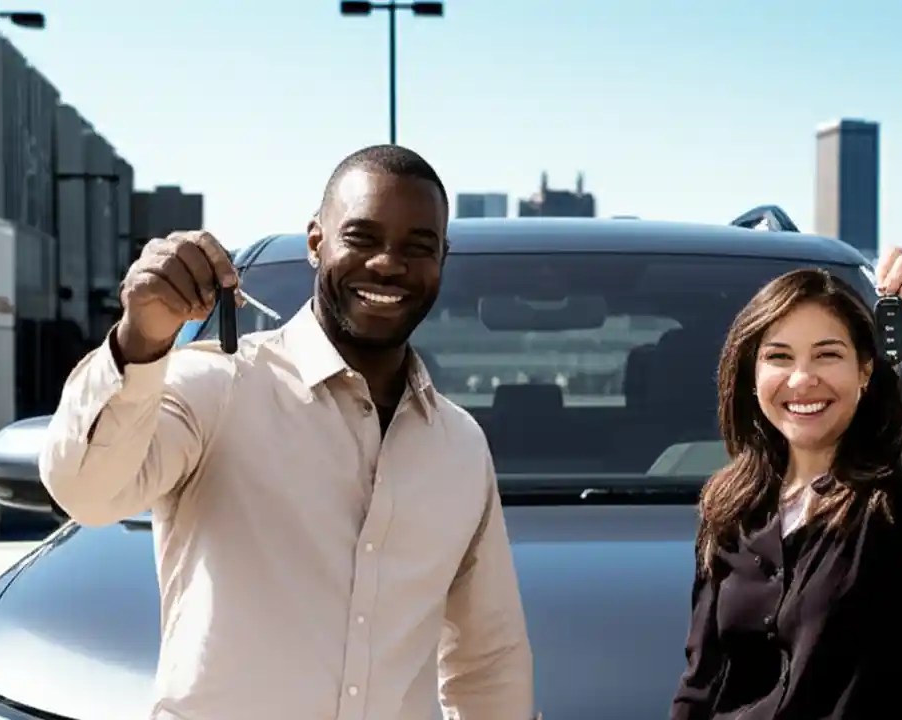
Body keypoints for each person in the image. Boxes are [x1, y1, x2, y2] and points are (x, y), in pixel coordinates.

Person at [39, 145, 536, 720]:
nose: (388, 264)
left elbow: (487, 663)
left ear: (441, 259)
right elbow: (86, 490)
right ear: (316, 241)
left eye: (418, 247)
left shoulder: (459, 445)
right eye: (362, 237)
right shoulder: (216, 387)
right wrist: (140, 339)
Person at [669, 248, 902, 719]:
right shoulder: (730, 508)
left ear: (865, 370)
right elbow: (700, 685)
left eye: (827, 354)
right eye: (779, 357)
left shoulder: (899, 501)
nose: (801, 379)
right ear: (752, 376)